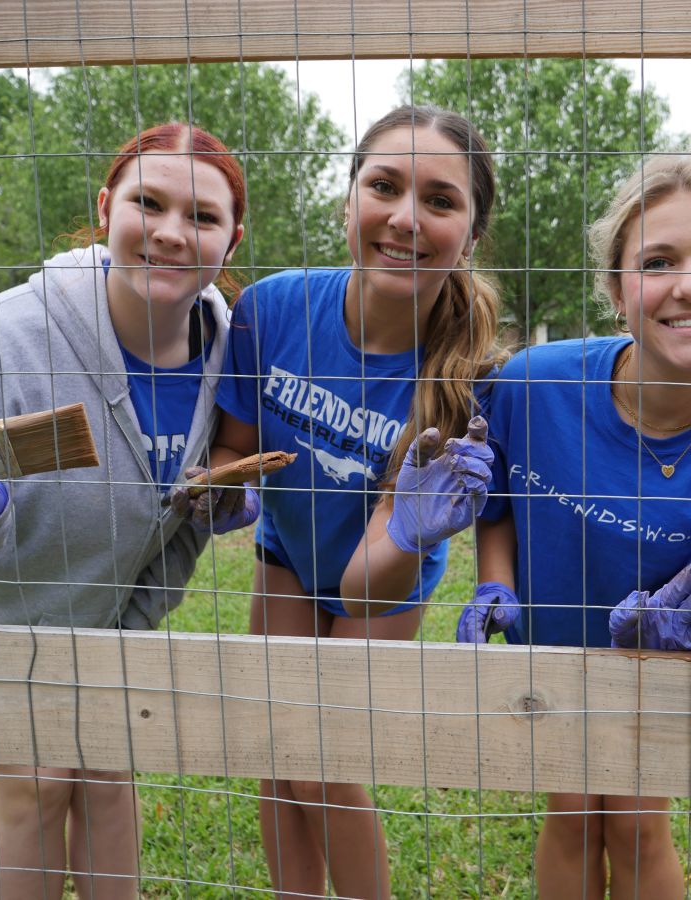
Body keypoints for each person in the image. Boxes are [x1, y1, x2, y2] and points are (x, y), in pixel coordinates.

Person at [455, 156, 691, 899]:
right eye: (658, 262)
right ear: (617, 292)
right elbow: (494, 506)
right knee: (572, 815)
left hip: (663, 676)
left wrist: (687, 634)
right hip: (550, 669)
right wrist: (494, 582)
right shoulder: (531, 385)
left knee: (637, 823)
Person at [0, 123, 249, 898]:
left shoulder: (231, 355)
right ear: (104, 209)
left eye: (200, 216)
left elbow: (173, 512)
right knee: (36, 778)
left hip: (103, 617)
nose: (168, 232)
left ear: (232, 240)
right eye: (147, 203)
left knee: (104, 767)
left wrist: (208, 510)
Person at [213, 105, 505, 899]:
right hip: (288, 546)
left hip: (384, 570)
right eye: (384, 185)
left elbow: (359, 585)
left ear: (470, 235)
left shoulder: (464, 378)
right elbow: (234, 449)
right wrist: (220, 488)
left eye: (441, 200)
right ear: (348, 202)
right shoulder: (270, 309)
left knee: (325, 759)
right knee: (273, 751)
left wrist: (411, 530)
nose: (406, 218)